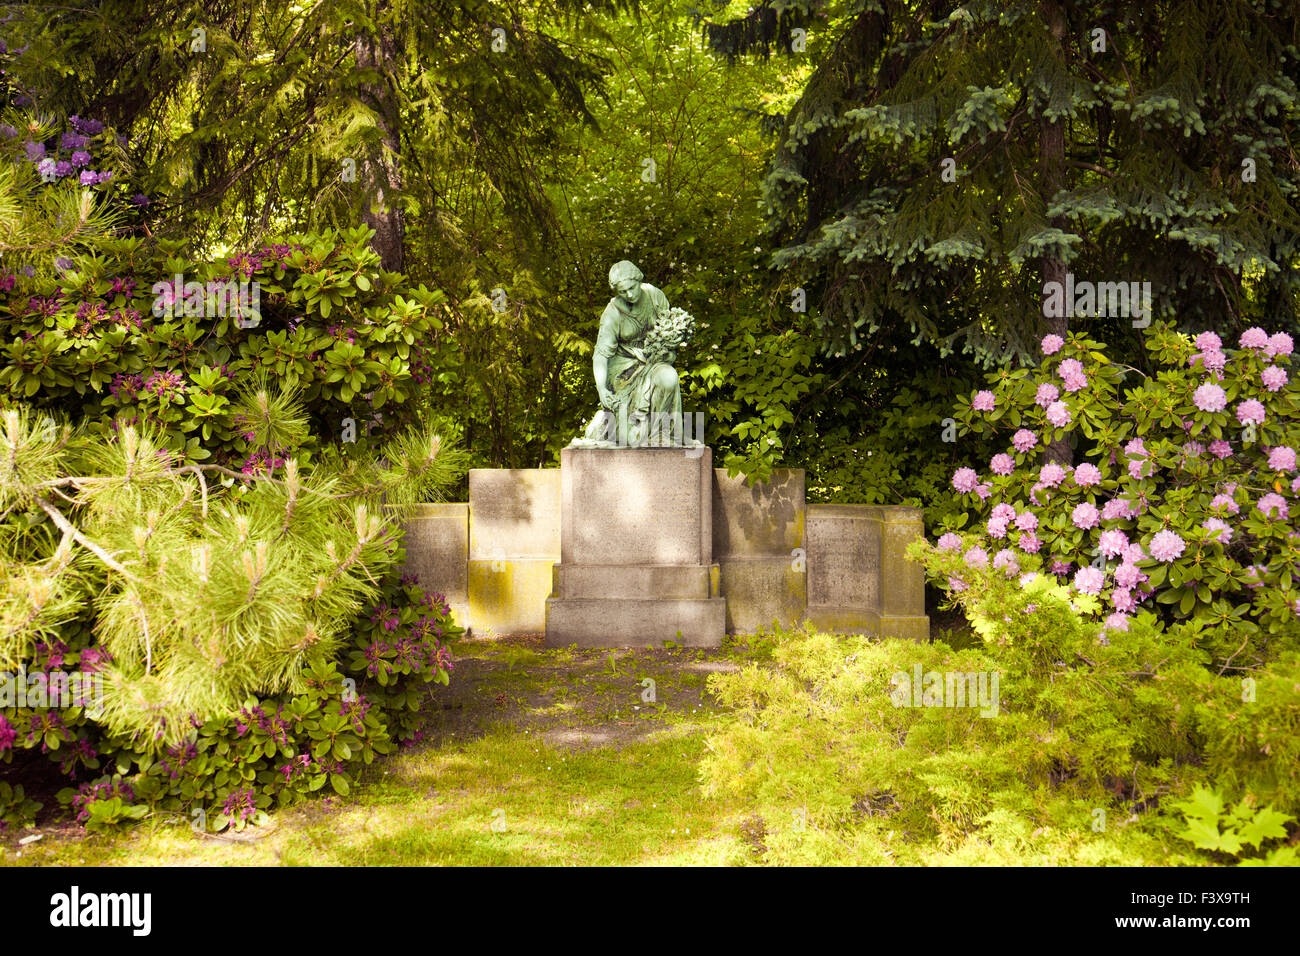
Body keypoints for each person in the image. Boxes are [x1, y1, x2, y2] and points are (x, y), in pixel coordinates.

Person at [573, 260, 683, 447]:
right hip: (623, 365)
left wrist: (669, 351)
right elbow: (601, 354)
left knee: (669, 378)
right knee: (627, 437)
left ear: (638, 280)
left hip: (653, 360)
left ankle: (660, 434)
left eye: (632, 288)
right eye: (623, 292)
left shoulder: (655, 296)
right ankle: (618, 426)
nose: (629, 294)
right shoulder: (613, 312)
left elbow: (669, 331)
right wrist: (602, 389)